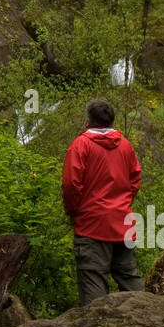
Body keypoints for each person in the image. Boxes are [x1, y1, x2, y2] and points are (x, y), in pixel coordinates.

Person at [62, 98, 144, 306]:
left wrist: (74, 212)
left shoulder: (81, 145)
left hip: (92, 225)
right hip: (122, 222)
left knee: (94, 289)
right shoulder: (125, 145)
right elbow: (135, 179)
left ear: (88, 122)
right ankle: (151, 322)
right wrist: (123, 203)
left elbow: (71, 185)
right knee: (130, 280)